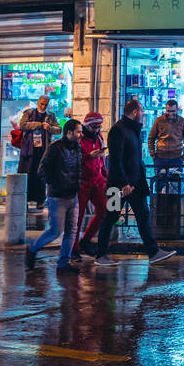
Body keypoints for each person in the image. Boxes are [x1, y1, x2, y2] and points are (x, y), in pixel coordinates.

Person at [95, 100, 177, 267]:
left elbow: (134, 159)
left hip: (135, 185)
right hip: (117, 186)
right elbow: (116, 160)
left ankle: (153, 252)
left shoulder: (133, 130)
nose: (143, 114)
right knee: (110, 217)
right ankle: (101, 254)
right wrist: (124, 183)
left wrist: (138, 180)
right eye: (141, 111)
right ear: (134, 112)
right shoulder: (118, 130)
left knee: (143, 216)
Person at [26, 119, 83, 274]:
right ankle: (32, 249)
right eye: (78, 131)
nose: (81, 134)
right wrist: (55, 184)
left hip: (73, 196)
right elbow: (42, 170)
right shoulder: (55, 148)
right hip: (57, 197)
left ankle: (63, 263)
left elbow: (78, 168)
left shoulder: (77, 147)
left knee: (71, 231)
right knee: (56, 231)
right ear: (69, 132)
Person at [75, 111, 109, 259]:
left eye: (99, 126)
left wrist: (105, 174)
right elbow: (74, 159)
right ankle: (74, 249)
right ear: (87, 125)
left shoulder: (99, 136)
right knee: (78, 217)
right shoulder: (80, 138)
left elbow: (101, 160)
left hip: (98, 180)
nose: (97, 129)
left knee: (105, 210)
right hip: (83, 182)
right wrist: (89, 156)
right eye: (94, 127)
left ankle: (86, 240)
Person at [17, 95, 62, 206]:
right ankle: (25, 200)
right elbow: (22, 125)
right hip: (29, 149)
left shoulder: (50, 116)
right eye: (41, 103)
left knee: (41, 174)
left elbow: (59, 130)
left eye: (45, 104)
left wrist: (50, 128)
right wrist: (38, 125)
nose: (43, 106)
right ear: (38, 102)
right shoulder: (29, 113)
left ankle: (40, 200)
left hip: (43, 149)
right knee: (27, 173)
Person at [148, 99, 184, 191]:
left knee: (176, 187)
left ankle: (174, 205)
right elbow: (151, 138)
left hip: (176, 159)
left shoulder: (182, 122)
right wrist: (153, 155)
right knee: (160, 186)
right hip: (161, 158)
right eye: (168, 111)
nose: (170, 114)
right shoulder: (159, 121)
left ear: (177, 110)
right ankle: (160, 204)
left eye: (172, 111)